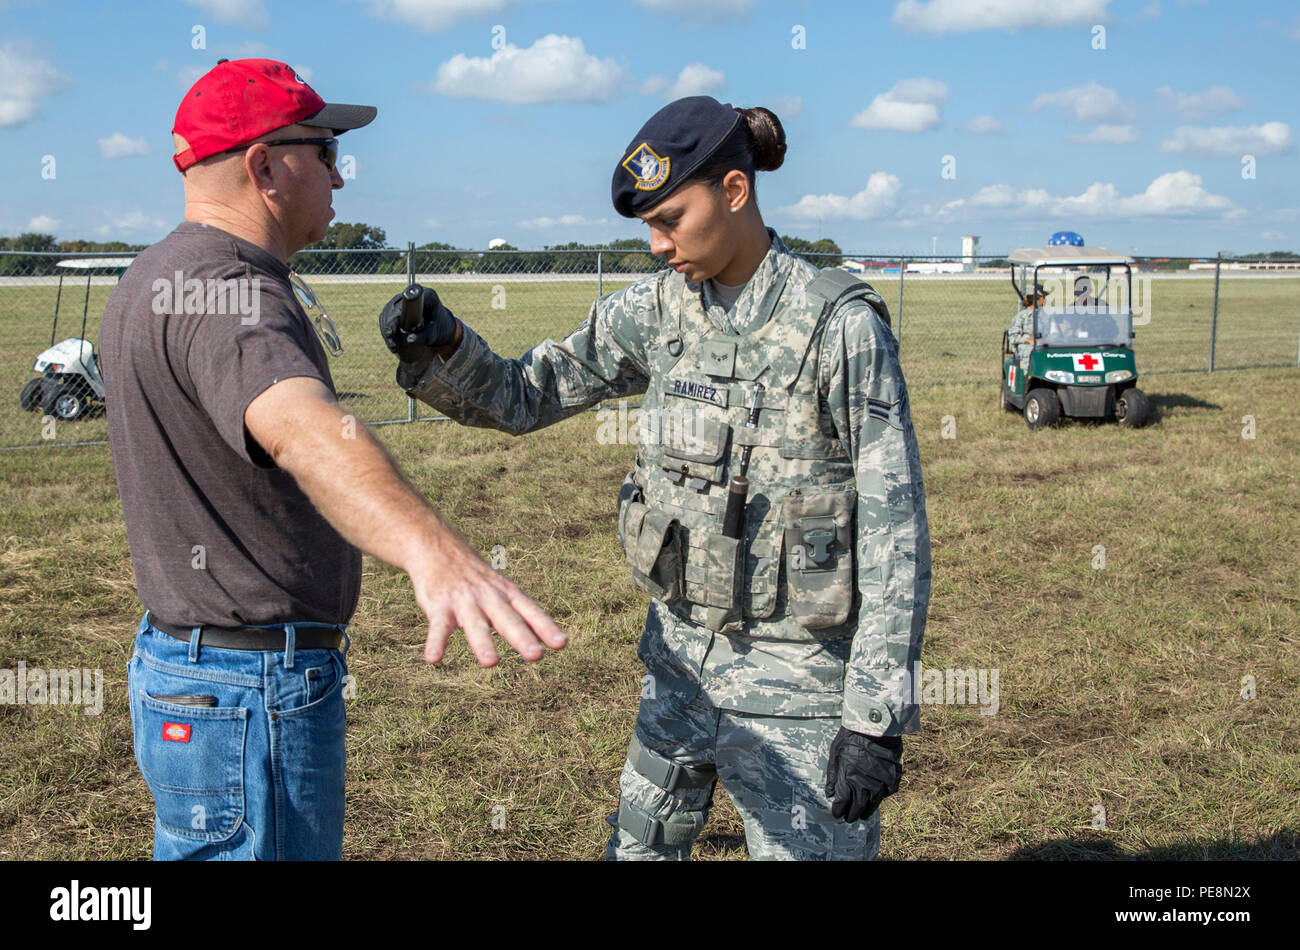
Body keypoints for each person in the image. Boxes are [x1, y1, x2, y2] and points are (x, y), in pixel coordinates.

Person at [380, 96, 930, 860]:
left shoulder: (837, 326)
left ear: (734, 191)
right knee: (636, 850)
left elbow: (895, 531)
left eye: (670, 218)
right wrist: (443, 347)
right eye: (648, 225)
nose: (656, 243)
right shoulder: (659, 310)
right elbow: (525, 394)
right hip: (677, 667)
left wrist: (875, 717)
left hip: (798, 689)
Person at [101, 58, 566, 861]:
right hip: (249, 689)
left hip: (188, 666)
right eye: (323, 151)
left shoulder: (153, 276)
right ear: (264, 165)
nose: (338, 177)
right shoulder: (232, 292)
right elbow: (301, 428)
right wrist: (434, 550)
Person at [1007, 284, 1045, 367]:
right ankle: (1027, 377)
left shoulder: (1046, 316)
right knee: (1030, 353)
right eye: (1043, 297)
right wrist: (1028, 340)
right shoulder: (1022, 317)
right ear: (1036, 298)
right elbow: (1012, 337)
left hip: (1043, 345)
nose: (1044, 300)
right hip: (1026, 346)